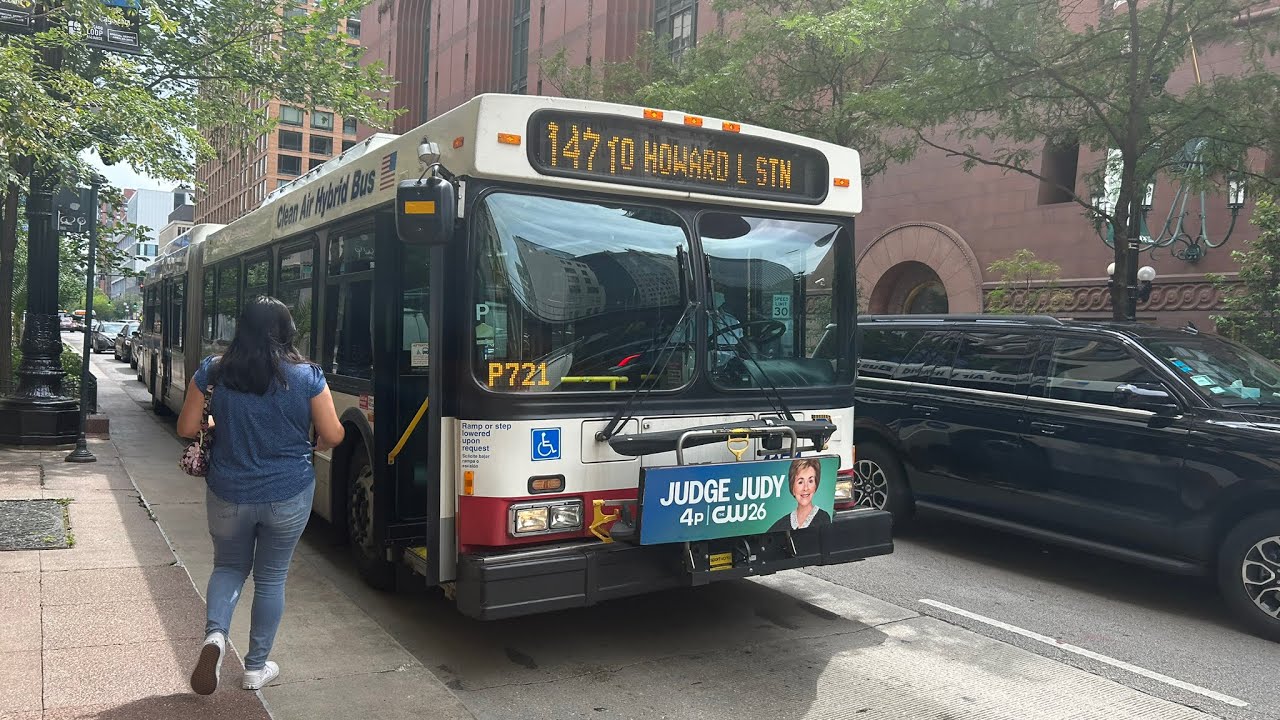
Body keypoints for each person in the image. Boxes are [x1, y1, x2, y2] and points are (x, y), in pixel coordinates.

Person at [177, 296, 344, 695]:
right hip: (288, 492)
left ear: (242, 328)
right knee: (271, 578)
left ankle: (215, 636)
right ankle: (255, 667)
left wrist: (219, 422)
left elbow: (186, 427)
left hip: (228, 491)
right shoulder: (307, 376)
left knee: (228, 567)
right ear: (287, 332)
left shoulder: (214, 370)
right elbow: (334, 434)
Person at [768, 458, 831, 532]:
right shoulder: (781, 524)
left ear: (815, 485)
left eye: (810, 481)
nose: (806, 488)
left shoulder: (823, 518)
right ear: (793, 487)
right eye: (800, 482)